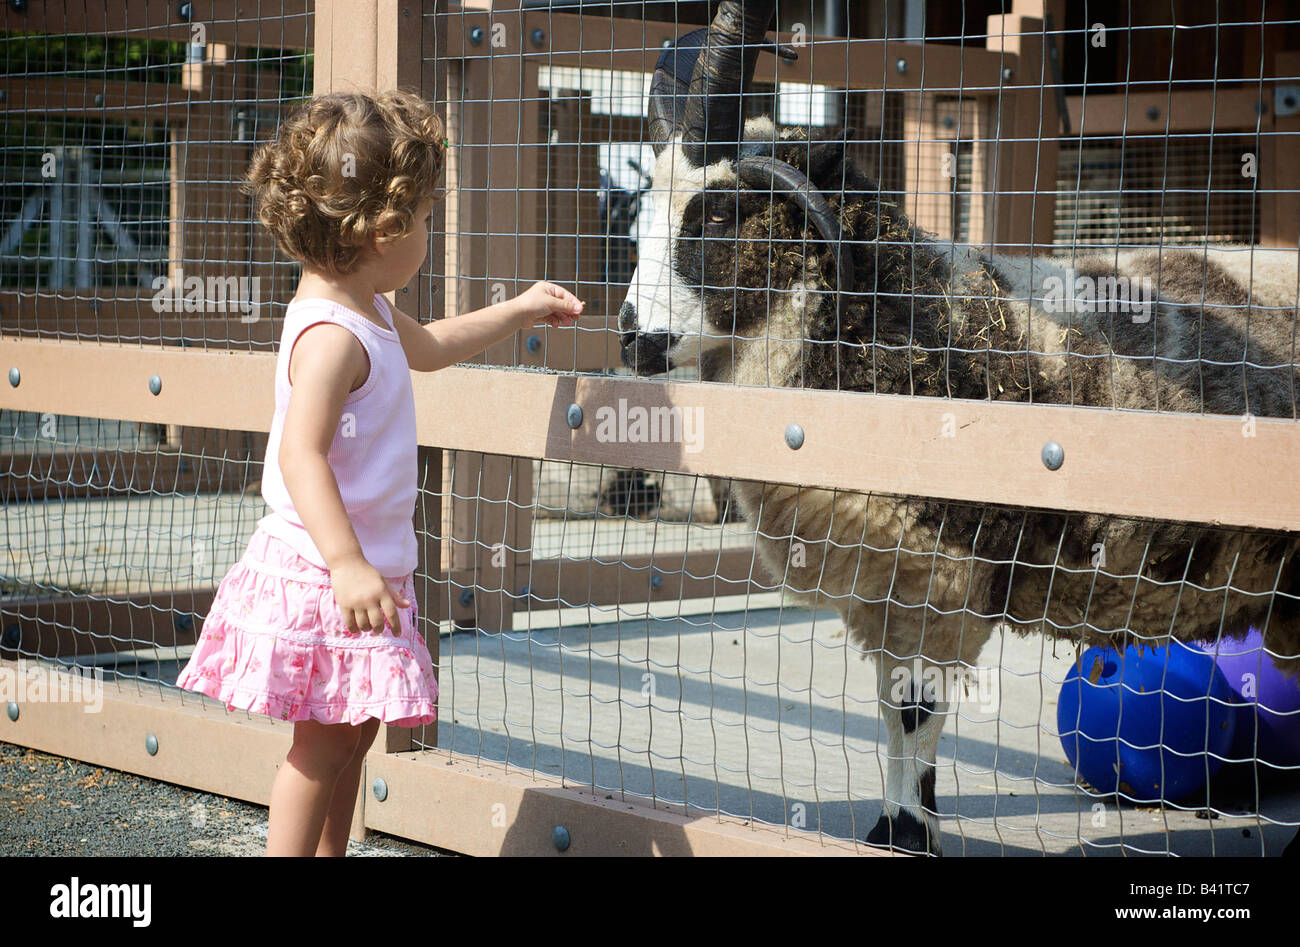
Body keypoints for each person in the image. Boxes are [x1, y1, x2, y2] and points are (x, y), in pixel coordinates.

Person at [175, 91, 583, 856]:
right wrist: (347, 562)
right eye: (425, 217)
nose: (429, 229)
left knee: (355, 733)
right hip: (329, 573)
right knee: (319, 746)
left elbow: (430, 346)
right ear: (380, 229)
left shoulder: (366, 306)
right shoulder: (332, 336)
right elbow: (300, 453)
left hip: (368, 571)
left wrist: (521, 309)